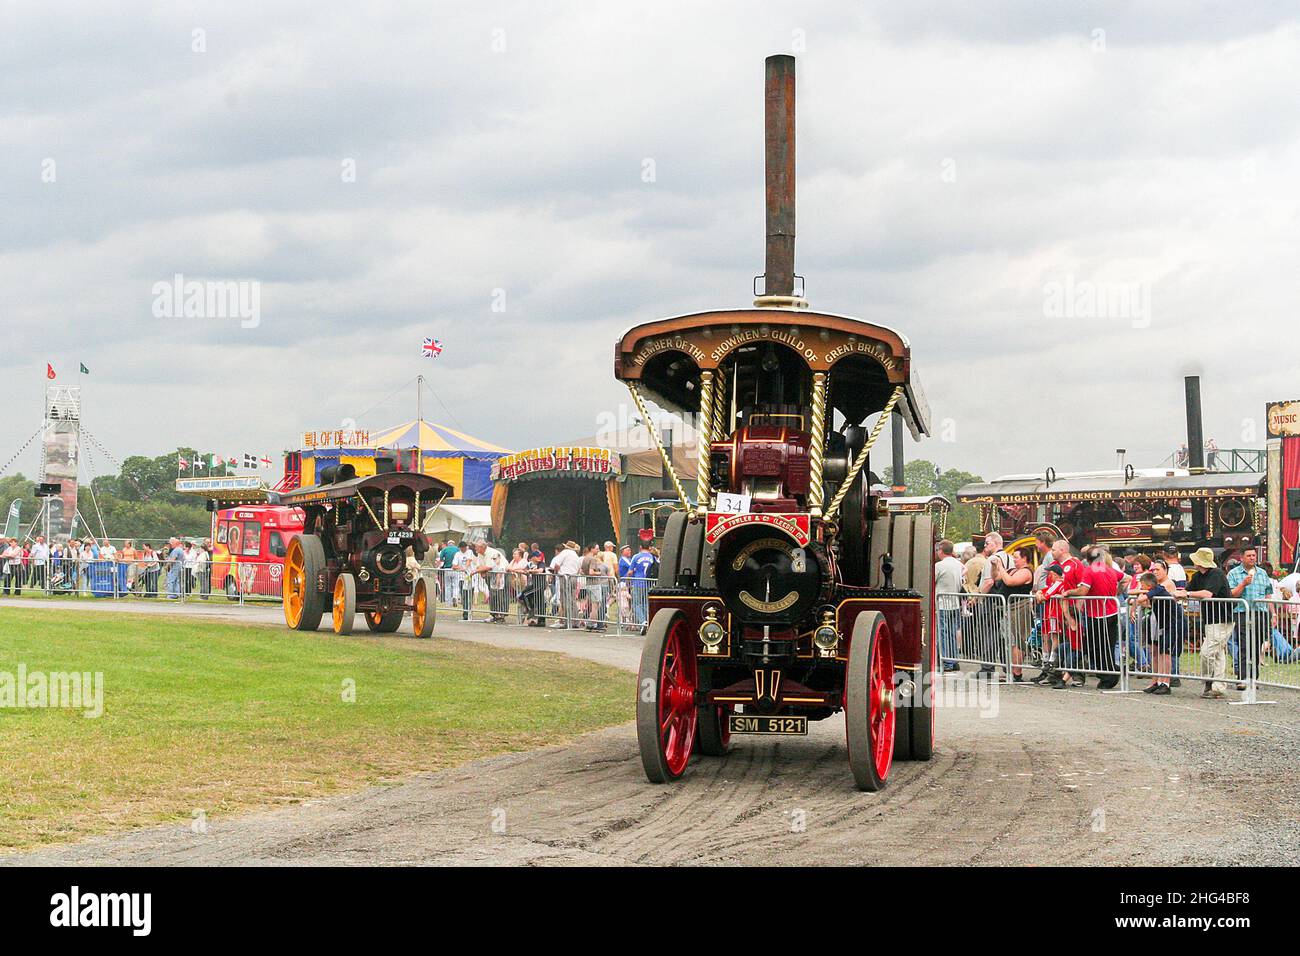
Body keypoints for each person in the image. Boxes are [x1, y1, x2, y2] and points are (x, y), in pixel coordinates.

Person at [1073, 547, 1129, 690]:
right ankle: (1109, 673)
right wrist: (1116, 591)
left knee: (1095, 648)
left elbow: (1082, 591)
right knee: (1107, 647)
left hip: (1097, 614)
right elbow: (1127, 578)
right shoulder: (1110, 570)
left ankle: (1109, 675)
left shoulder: (1089, 570)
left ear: (1088, 558)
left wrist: (1069, 592)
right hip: (1112, 611)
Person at [1133, 560, 1187, 694]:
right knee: (1158, 652)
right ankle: (1157, 681)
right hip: (1162, 623)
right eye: (1153, 570)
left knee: (1166, 653)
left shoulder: (1159, 588)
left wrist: (1140, 594)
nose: (1155, 572)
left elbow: (1141, 600)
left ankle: (1166, 683)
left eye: (1158, 569)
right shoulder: (1155, 589)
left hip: (1173, 623)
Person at [1185, 548, 1232, 699]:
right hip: (1210, 619)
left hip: (1222, 619)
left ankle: (1209, 680)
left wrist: (1186, 594)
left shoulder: (1216, 574)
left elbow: (1207, 594)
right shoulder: (1199, 576)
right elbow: (1186, 590)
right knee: (1218, 654)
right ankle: (1217, 686)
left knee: (1207, 652)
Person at [1227, 547, 1270, 689]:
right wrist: (1243, 584)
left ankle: (1253, 678)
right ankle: (1243, 678)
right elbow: (1232, 594)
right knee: (1245, 645)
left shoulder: (1262, 573)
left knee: (1257, 646)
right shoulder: (1234, 573)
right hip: (1242, 612)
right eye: (1249, 555)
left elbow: (1268, 594)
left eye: (1254, 555)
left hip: (1260, 613)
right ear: (1242, 557)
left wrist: (1273, 613)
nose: (1252, 558)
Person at [993, 548, 1034, 681]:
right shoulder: (1012, 570)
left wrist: (1001, 566)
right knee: (1010, 641)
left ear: (1024, 558)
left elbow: (1010, 581)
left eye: (1016, 557)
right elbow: (996, 578)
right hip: (1007, 609)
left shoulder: (1026, 572)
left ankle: (1017, 673)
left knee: (1017, 641)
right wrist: (995, 567)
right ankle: (1011, 670)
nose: (1014, 559)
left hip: (1019, 609)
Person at [934, 540, 964, 672]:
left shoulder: (939, 566)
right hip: (955, 603)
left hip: (942, 603)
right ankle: (954, 659)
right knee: (952, 632)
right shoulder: (958, 565)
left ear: (941, 550)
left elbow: (932, 581)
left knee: (943, 632)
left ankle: (947, 661)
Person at [548, 540, 582, 629]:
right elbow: (579, 569)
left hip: (565, 577)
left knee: (565, 599)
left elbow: (557, 564)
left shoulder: (564, 553)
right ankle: (575, 621)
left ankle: (567, 621)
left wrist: (556, 572)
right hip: (574, 577)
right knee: (573, 600)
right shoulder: (576, 556)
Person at [627, 536, 658, 633]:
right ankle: (647, 622)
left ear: (640, 547)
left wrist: (628, 579)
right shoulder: (653, 557)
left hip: (637, 582)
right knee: (645, 604)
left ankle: (642, 621)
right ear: (649, 547)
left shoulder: (636, 557)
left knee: (636, 603)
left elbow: (630, 572)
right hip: (648, 583)